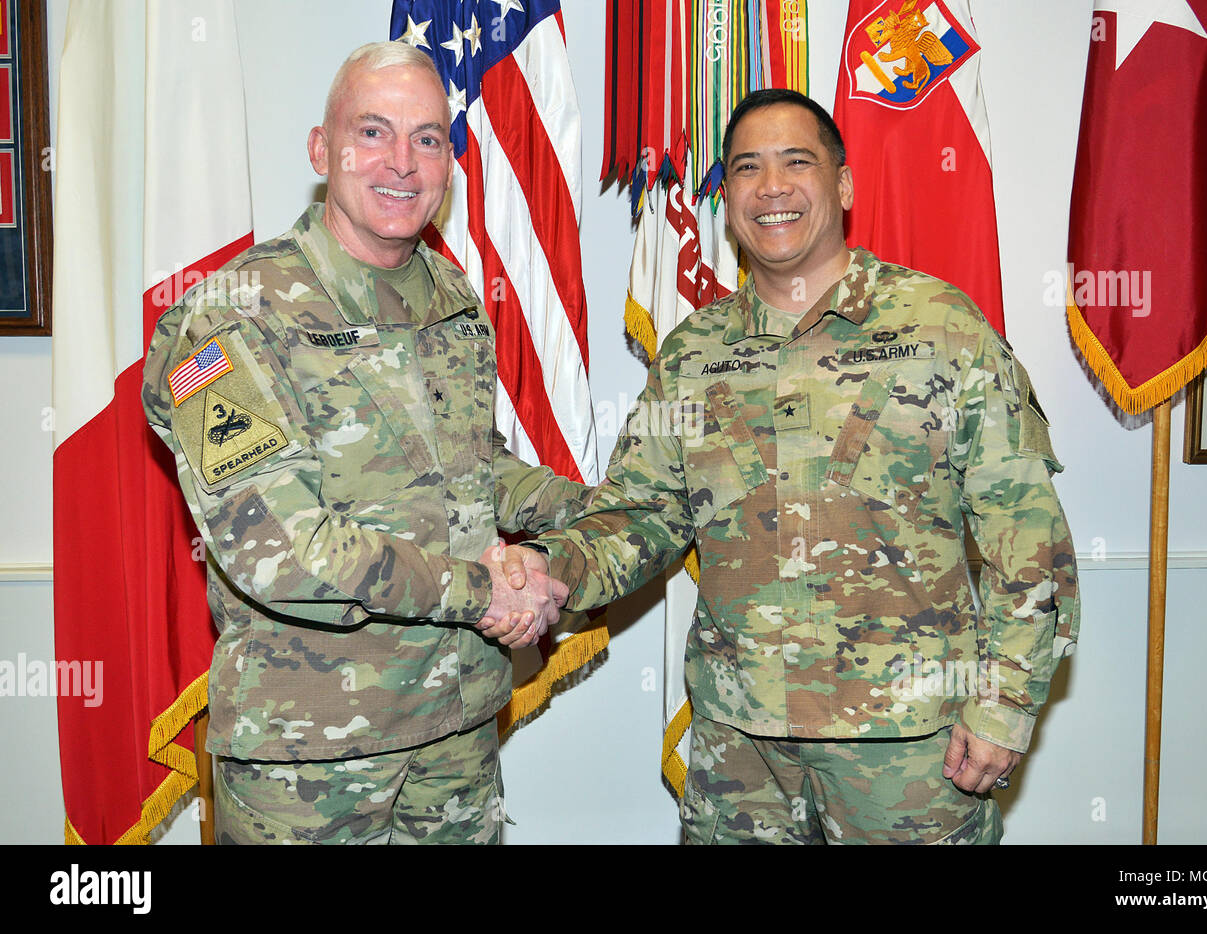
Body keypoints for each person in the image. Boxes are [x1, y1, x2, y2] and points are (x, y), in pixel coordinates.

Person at [492, 89, 1079, 844]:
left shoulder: (943, 328)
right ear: (727, 198)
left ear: (844, 184)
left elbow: (1026, 536)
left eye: (796, 162)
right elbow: (639, 517)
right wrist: (551, 568)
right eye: (747, 168)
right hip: (740, 753)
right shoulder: (693, 354)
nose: (771, 187)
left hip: (907, 753)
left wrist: (1003, 705)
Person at [142, 41, 580, 844]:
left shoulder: (450, 295)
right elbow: (282, 550)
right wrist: (486, 594)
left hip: (456, 733)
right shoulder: (228, 319)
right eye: (373, 132)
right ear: (322, 150)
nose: (402, 162)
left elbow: (474, 471)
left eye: (427, 138)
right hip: (309, 760)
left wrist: (594, 509)